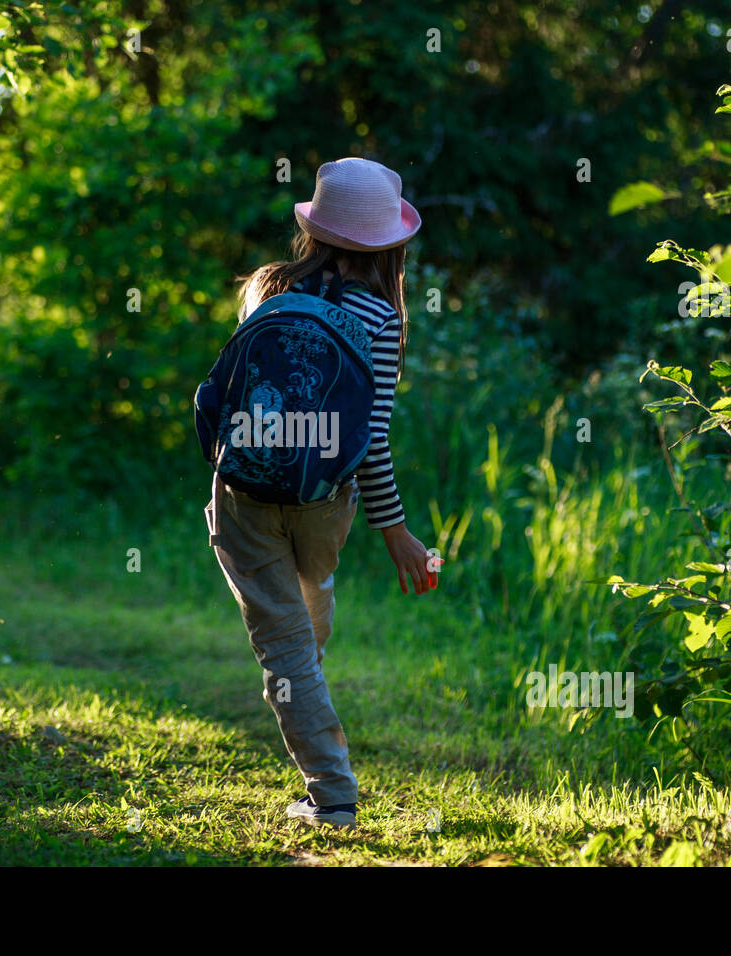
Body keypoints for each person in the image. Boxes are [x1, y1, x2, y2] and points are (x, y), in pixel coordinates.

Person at [207, 157, 436, 828]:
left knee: (285, 643)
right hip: (325, 500)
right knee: (307, 608)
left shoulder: (267, 288)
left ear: (315, 227)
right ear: (390, 244)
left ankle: (332, 798)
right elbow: (371, 437)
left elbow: (230, 389)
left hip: (243, 489)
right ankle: (305, 671)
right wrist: (396, 532)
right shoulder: (382, 316)